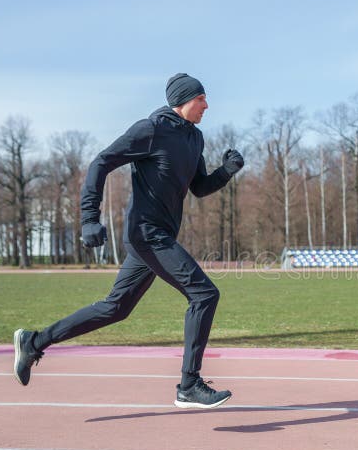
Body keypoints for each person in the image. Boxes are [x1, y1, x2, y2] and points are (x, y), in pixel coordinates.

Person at [12, 73, 244, 409]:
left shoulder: (195, 139)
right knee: (204, 294)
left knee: (116, 308)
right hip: (146, 233)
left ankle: (34, 342)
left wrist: (227, 171)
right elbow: (101, 162)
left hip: (159, 237)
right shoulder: (151, 130)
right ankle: (189, 385)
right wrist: (89, 218)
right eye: (201, 99)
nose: (207, 105)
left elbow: (199, 187)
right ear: (182, 101)